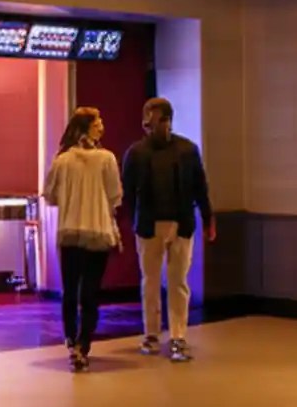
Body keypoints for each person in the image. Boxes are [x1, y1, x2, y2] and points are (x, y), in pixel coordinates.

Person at [122, 97, 214, 363]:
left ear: (168, 121)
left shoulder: (188, 151)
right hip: (149, 226)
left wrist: (208, 219)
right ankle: (151, 334)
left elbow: (200, 187)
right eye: (147, 122)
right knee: (150, 282)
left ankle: (178, 336)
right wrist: (130, 223)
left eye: (156, 121)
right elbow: (127, 193)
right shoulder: (136, 153)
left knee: (178, 282)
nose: (150, 127)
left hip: (181, 223)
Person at [42, 107, 122, 372]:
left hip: (70, 232)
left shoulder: (62, 161)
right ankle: (83, 344)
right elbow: (114, 197)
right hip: (98, 233)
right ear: (88, 127)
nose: (102, 125)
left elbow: (50, 195)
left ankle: (70, 340)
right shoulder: (107, 159)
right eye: (98, 122)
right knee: (90, 293)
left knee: (70, 291)